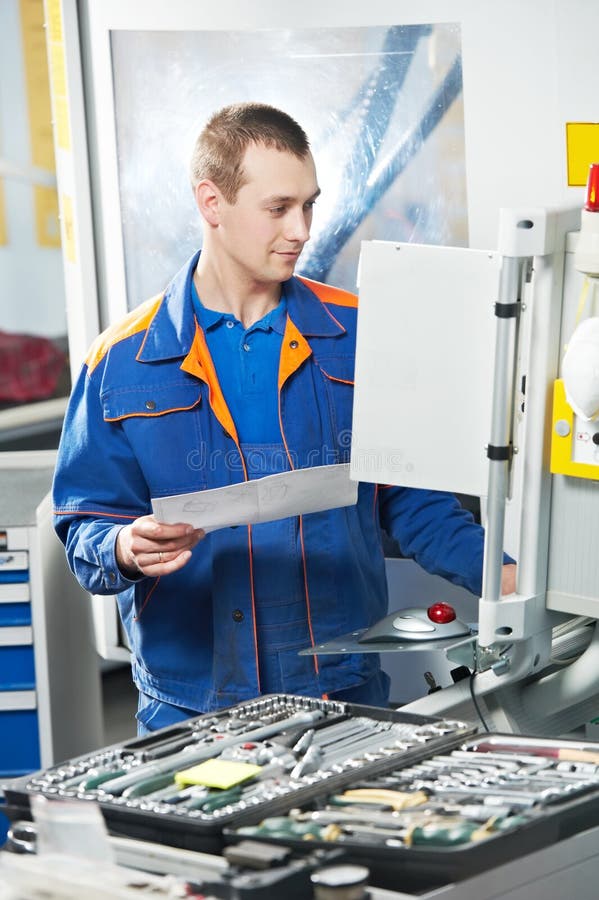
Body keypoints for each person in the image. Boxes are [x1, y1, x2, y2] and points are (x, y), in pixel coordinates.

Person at [53, 102, 516, 733]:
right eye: (278, 209)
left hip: (340, 695)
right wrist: (124, 546)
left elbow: (414, 502)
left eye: (309, 205)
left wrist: (512, 577)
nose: (301, 230)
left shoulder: (358, 334)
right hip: (188, 708)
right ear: (212, 203)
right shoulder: (121, 361)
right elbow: (85, 521)